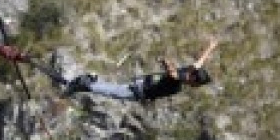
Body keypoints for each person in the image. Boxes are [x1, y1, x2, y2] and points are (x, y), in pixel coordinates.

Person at [67, 38, 219, 102]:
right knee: (112, 91)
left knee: (114, 88)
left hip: (141, 84)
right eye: (195, 82)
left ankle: (93, 81)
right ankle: (87, 83)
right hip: (139, 90)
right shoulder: (181, 79)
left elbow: (190, 67)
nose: (193, 84)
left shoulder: (182, 77)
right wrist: (210, 48)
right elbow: (194, 64)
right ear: (193, 79)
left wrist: (166, 63)